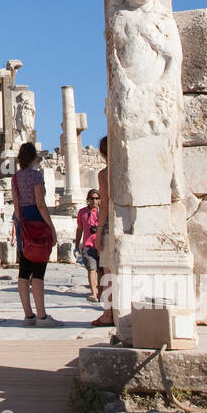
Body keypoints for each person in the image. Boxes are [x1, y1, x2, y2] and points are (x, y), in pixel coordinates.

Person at [11, 142, 61, 327]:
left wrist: (19, 224)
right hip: (38, 222)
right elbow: (40, 204)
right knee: (38, 271)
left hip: (22, 223)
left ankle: (28, 315)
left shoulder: (15, 178)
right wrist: (52, 227)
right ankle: (42, 316)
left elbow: (16, 205)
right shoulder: (35, 176)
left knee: (24, 272)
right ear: (34, 158)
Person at [91, 137, 114, 327]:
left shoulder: (104, 174)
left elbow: (104, 206)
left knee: (107, 274)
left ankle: (108, 313)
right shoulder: (124, 171)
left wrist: (98, 233)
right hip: (128, 224)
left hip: (109, 227)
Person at [77, 188, 101, 303]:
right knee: (92, 269)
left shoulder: (102, 212)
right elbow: (80, 228)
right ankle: (94, 293)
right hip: (88, 246)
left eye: (97, 198)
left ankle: (101, 293)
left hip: (101, 246)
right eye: (92, 198)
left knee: (101, 272)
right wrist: (77, 244)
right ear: (88, 200)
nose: (94, 201)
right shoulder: (82, 212)